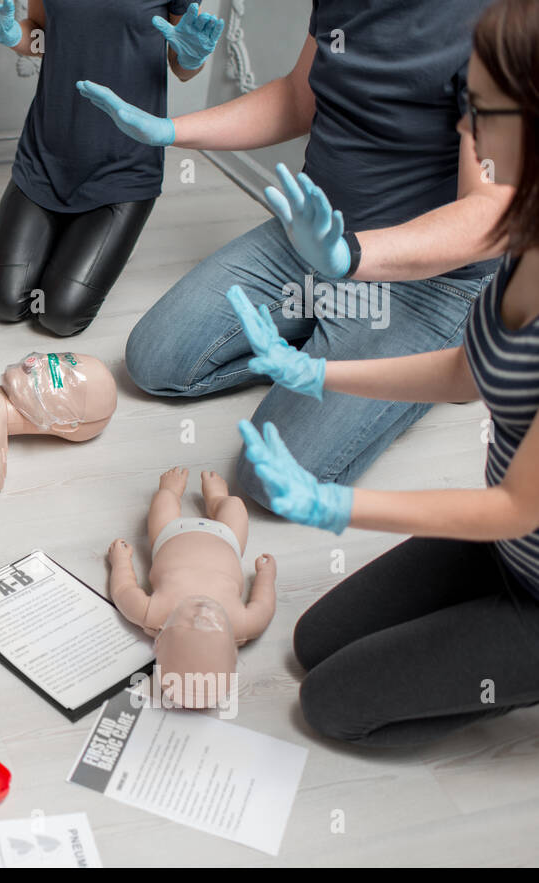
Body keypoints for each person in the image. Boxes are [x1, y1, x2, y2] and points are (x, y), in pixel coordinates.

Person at [231, 0, 539, 748]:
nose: (461, 129)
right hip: (508, 559)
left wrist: (336, 503)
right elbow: (465, 374)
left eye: (481, 110)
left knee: (334, 706)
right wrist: (315, 372)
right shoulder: (523, 240)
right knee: (312, 642)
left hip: (523, 553)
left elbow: (512, 507)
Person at [81, 0, 510, 507]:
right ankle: (319, 340)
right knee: (155, 361)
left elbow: (489, 212)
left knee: (271, 481)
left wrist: (350, 255)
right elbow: (294, 99)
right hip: (313, 238)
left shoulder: (497, 27)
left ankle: (447, 366)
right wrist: (171, 131)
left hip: (427, 281)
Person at [0, 1, 223, 336]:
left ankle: (85, 239)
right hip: (45, 156)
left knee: (60, 316)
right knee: (4, 305)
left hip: (123, 167)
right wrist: (6, 33)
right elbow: (42, 35)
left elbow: (181, 66)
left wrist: (192, 57)